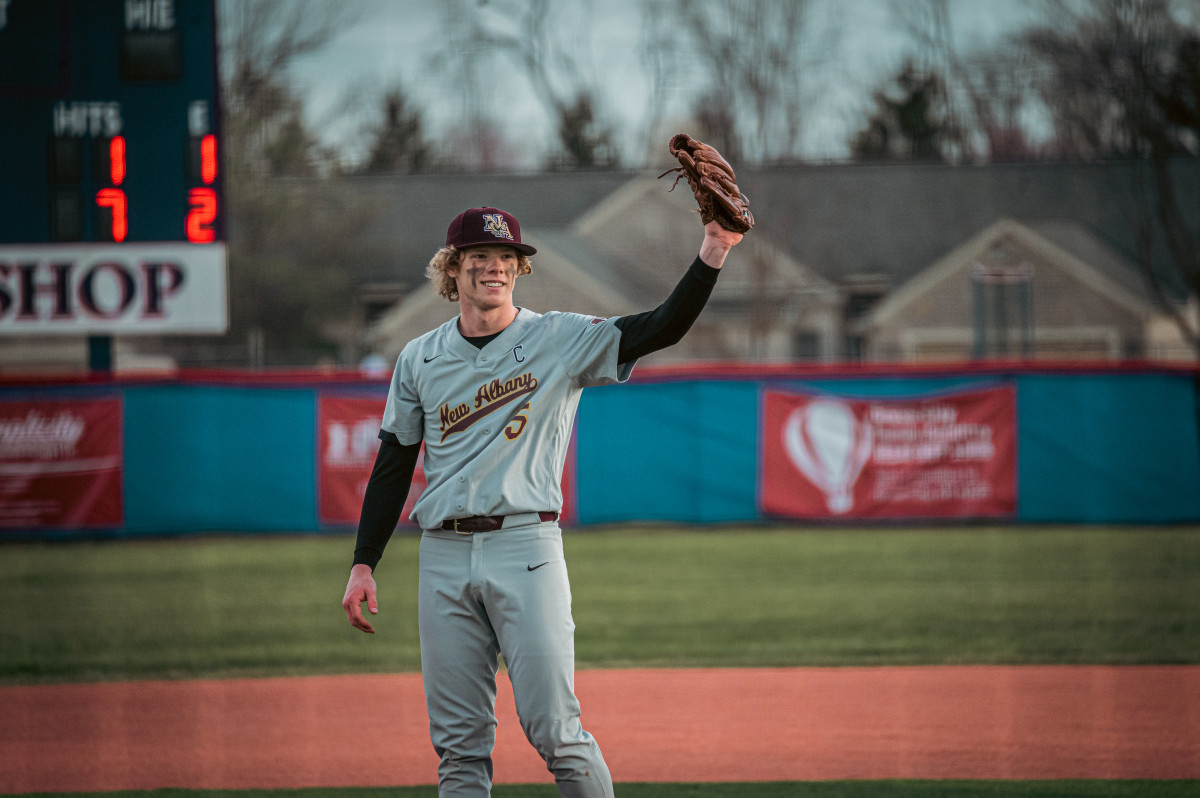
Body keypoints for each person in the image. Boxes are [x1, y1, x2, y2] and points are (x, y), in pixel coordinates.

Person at [342, 205, 743, 797]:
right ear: (452, 269)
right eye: (480, 257)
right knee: (458, 748)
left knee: (556, 730)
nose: (495, 268)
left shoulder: (558, 337)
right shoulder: (418, 358)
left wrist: (714, 248)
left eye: (507, 258)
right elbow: (394, 465)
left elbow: (661, 327)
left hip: (524, 546)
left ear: (519, 269)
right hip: (443, 555)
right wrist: (363, 562)